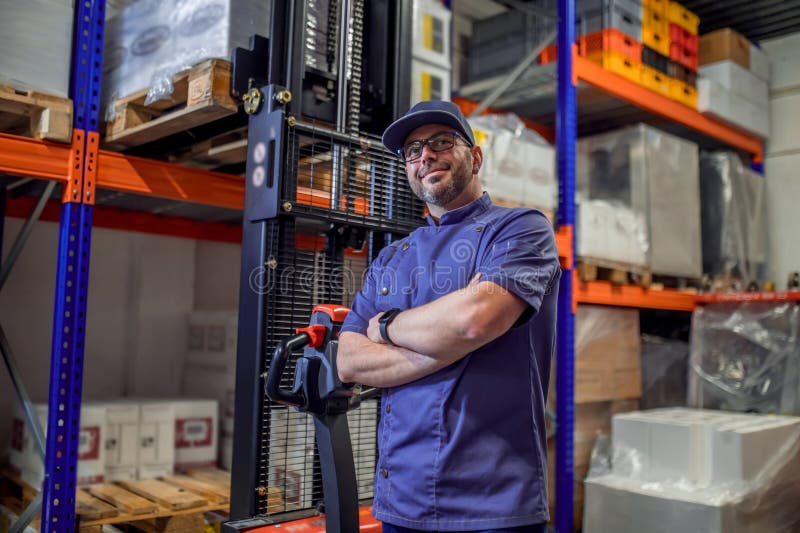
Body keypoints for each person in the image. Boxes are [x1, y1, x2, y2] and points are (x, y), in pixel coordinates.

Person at [337, 100, 561, 533]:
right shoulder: (391, 257)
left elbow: (472, 321)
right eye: (413, 150)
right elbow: (348, 360)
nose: (426, 157)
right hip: (402, 499)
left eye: (442, 142)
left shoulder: (520, 229)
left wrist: (387, 327)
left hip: (494, 502)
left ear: (475, 157)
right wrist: (449, 346)